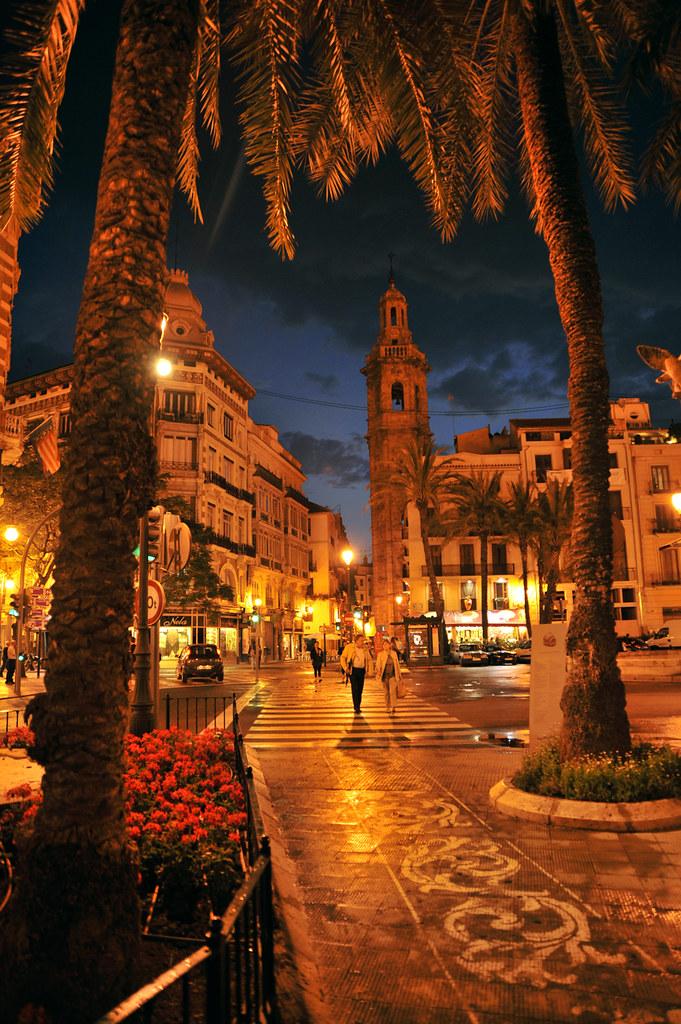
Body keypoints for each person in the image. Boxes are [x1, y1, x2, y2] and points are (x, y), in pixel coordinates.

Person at [340, 634, 369, 714]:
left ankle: (358, 704)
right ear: (356, 641)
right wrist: (345, 668)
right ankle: (356, 706)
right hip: (353, 670)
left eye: (363, 640)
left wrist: (370, 670)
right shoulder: (349, 647)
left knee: (360, 689)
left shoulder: (365, 649)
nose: (363, 642)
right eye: (361, 641)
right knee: (355, 688)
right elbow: (342, 657)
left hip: (362, 670)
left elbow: (369, 659)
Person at [376, 637, 401, 715]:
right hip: (384, 676)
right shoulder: (380, 654)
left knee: (392, 692)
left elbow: (397, 665)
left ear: (390, 645)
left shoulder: (394, 653)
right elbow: (378, 665)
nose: (385, 646)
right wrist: (378, 672)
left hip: (392, 675)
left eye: (386, 644)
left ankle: (393, 706)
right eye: (384, 645)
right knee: (386, 692)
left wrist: (399, 675)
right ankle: (387, 707)